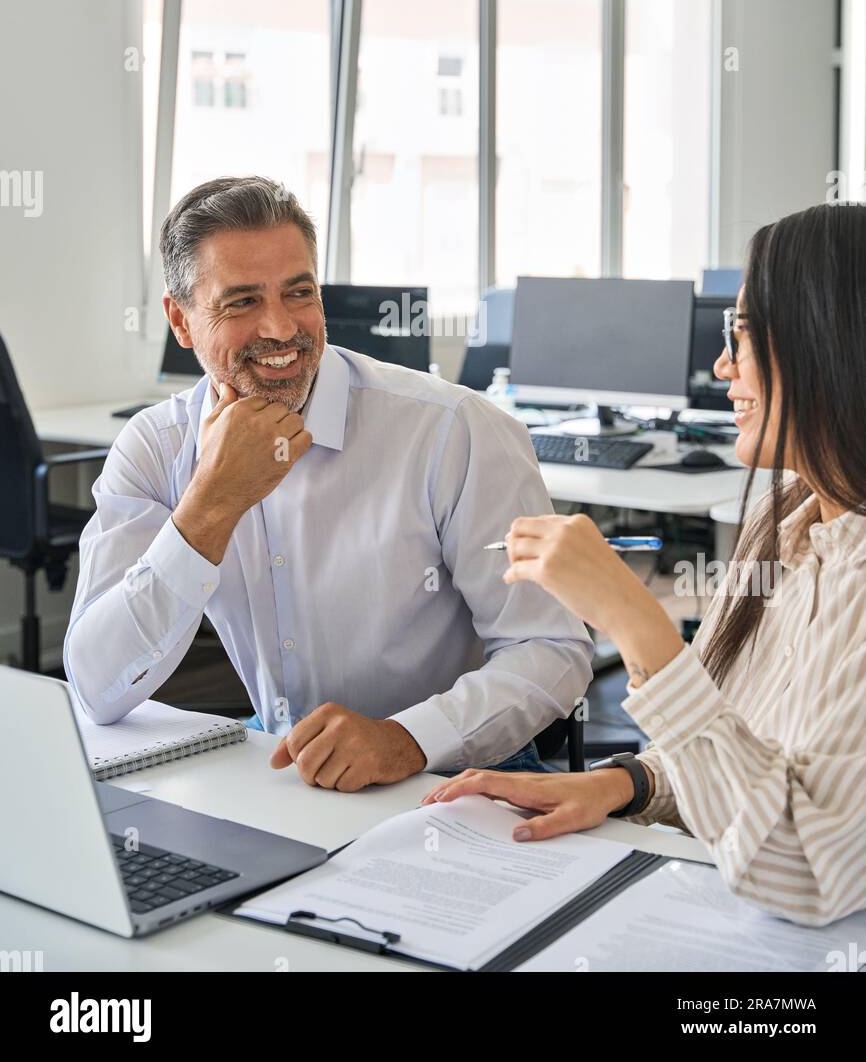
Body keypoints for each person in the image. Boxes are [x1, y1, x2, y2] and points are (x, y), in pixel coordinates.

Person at [65, 176, 593, 790]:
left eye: (299, 292)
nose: (283, 329)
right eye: (241, 302)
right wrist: (212, 500)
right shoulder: (155, 447)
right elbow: (98, 686)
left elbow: (553, 648)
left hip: (458, 769)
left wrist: (407, 739)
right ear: (180, 321)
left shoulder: (453, 430)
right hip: (285, 762)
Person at [423, 203, 866, 927]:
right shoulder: (782, 518)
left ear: (829, 345)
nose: (723, 366)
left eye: (744, 337)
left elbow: (804, 872)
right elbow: (739, 750)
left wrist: (633, 618)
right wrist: (625, 784)